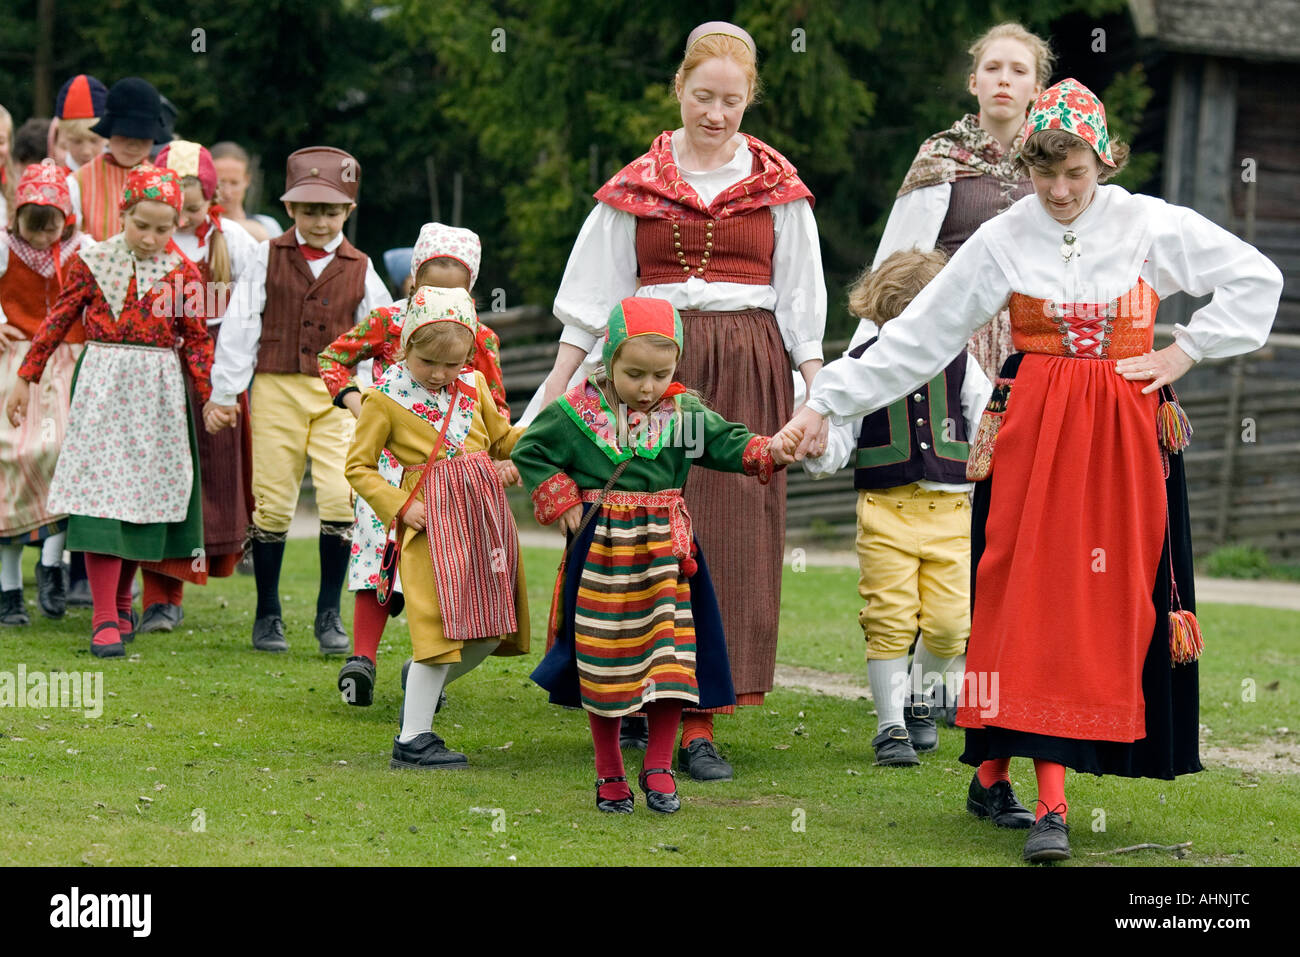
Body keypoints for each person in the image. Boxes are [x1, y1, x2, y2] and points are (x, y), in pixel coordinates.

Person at [780, 79, 1283, 863]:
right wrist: (827, 403)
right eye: (1045, 173)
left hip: (1124, 441)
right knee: (1024, 602)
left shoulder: (1149, 224)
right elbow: (920, 334)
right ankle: (1051, 801)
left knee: (1098, 608)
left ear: (1103, 161)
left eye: (1075, 172)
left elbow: (1259, 279)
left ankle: (992, 771)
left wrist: (1186, 347)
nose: (1058, 190)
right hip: (1034, 437)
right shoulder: (1007, 235)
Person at [527, 20, 827, 780]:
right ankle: (629, 693)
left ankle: (698, 720)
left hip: (749, 364)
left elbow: (802, 303)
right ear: (679, 90)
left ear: (750, 97)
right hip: (646, 369)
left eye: (732, 100)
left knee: (727, 543)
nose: (716, 113)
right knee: (639, 539)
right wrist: (556, 391)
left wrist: (816, 394)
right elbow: (589, 303)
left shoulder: (780, 191)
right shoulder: (636, 187)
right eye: (703, 96)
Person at [514, 297, 794, 812]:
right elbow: (529, 448)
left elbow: (729, 443)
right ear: (610, 359)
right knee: (606, 663)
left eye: (660, 374)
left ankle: (660, 766)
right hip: (602, 558)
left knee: (670, 664)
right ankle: (609, 773)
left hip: (667, 559)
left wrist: (769, 449)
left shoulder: (682, 416)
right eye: (634, 373)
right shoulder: (577, 416)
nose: (647, 387)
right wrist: (559, 497)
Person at [6, 165, 214, 658]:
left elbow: (197, 339)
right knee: (102, 493)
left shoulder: (184, 271)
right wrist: (25, 377)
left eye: (163, 229)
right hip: (102, 385)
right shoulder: (91, 260)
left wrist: (210, 398)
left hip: (157, 393)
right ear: (123, 213)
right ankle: (103, 615)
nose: (151, 237)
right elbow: (58, 319)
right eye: (142, 224)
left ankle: (123, 600)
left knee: (141, 496)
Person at [803, 249, 991, 765]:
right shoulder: (860, 365)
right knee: (890, 617)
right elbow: (839, 431)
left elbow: (986, 417)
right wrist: (820, 450)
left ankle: (918, 699)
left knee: (952, 624)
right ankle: (891, 729)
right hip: (885, 509)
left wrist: (1000, 457)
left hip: (952, 512)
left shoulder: (961, 361)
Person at [204, 146, 392, 654]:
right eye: (309, 210)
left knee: (338, 496)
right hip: (275, 388)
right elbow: (241, 324)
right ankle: (267, 614)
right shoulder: (268, 256)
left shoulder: (361, 267)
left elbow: (379, 336)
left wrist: (374, 396)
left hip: (339, 395)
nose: (319, 220)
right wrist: (225, 392)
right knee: (272, 500)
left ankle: (328, 614)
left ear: (348, 212)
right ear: (290, 208)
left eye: (330, 211)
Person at [319, 222, 510, 705]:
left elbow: (495, 406)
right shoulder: (386, 320)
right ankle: (363, 657)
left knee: (444, 566)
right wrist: (355, 401)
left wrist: (491, 461)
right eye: (431, 289)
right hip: (386, 464)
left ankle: (429, 665)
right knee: (379, 554)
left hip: (450, 475)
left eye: (456, 292)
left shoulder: (480, 338)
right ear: (412, 282)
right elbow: (332, 356)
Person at [345, 286, 528, 769]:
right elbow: (359, 467)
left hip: (483, 518)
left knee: (488, 627)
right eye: (429, 362)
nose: (441, 374)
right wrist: (400, 506)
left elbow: (504, 440)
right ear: (404, 346)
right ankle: (413, 740)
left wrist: (544, 435)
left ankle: (419, 677)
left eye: (454, 363)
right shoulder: (381, 399)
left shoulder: (474, 388)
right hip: (428, 522)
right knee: (439, 630)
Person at [860, 23, 1050, 384]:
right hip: (953, 335)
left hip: (1037, 338)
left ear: (1036, 90)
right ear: (973, 82)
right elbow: (897, 259)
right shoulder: (941, 155)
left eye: (1019, 70)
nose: (1004, 80)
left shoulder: (1051, 165)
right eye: (992, 68)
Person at [135, 141, 260, 633]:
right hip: (159, 373)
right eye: (172, 208)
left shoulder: (235, 241)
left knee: (209, 490)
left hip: (217, 373)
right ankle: (159, 597)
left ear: (209, 199)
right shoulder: (147, 243)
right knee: (159, 485)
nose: (180, 219)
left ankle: (189, 580)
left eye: (190, 208)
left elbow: (251, 315)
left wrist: (234, 382)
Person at [0, 161, 91, 624]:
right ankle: (9, 587)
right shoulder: (3, 247)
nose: (40, 236)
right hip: (14, 360)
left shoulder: (83, 251)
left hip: (65, 361)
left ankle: (52, 564)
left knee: (63, 454)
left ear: (65, 218)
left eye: (50, 224)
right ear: (16, 218)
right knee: (9, 461)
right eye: (32, 225)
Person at [67, 77, 169, 242]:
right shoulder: (77, 183)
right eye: (124, 135)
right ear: (109, 132)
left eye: (142, 137)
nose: (133, 145)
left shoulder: (164, 184)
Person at [210, 141, 281, 241]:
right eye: (220, 183)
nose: (227, 192)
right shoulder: (193, 227)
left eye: (234, 183)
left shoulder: (268, 226)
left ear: (246, 180)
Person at [49, 75, 109, 174]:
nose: (86, 151)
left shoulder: (124, 178)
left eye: (94, 141)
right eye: (77, 141)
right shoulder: (57, 182)